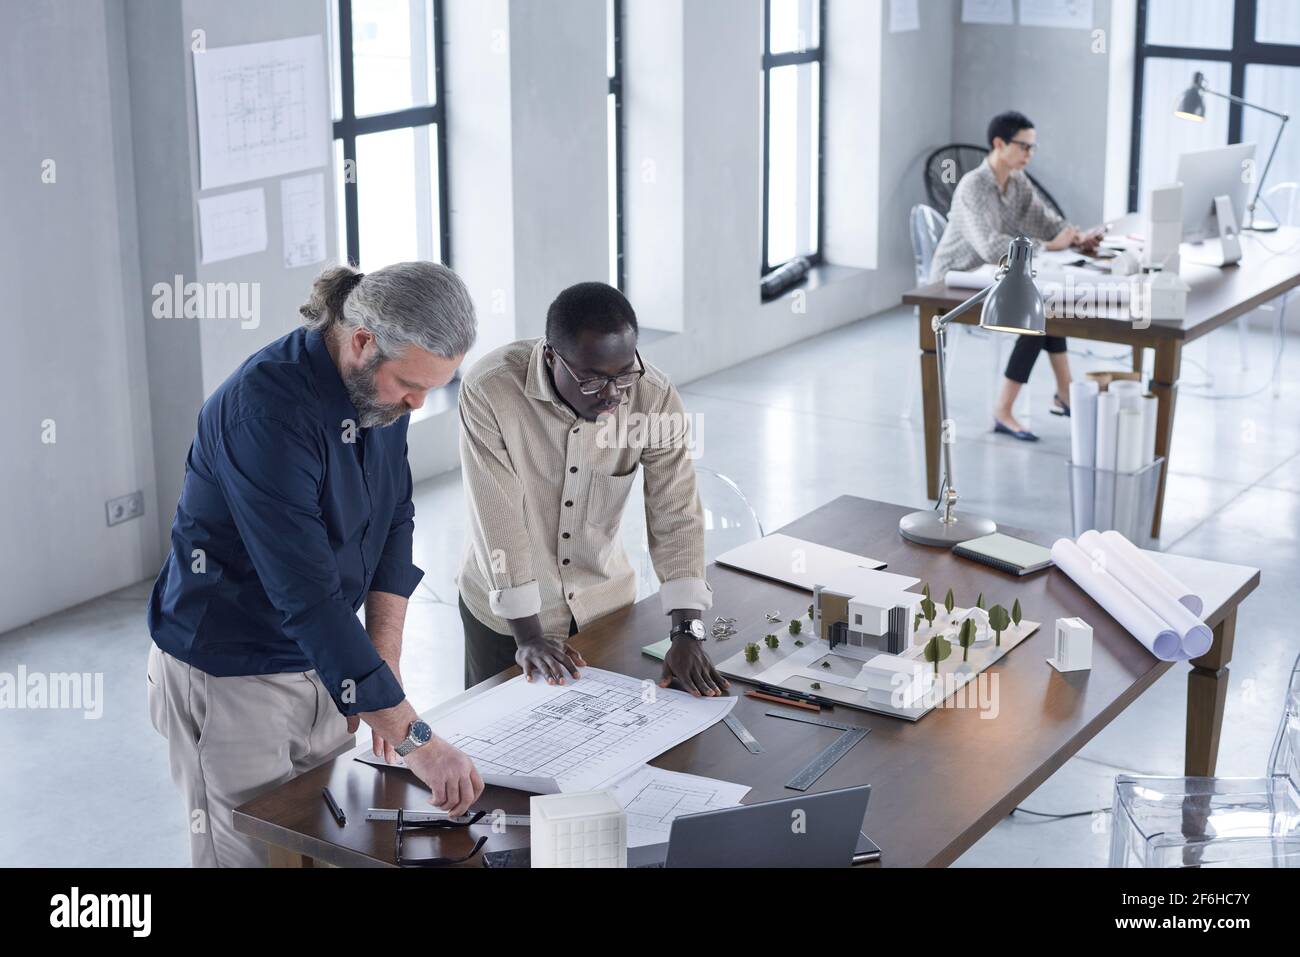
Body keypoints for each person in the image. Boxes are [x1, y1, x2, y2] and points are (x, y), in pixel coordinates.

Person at [146, 262, 484, 867]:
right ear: (361, 341)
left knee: (328, 845)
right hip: (232, 674)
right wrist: (418, 740)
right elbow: (307, 598)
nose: (418, 402)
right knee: (250, 857)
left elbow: (394, 519)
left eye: (434, 387)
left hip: (328, 660)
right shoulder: (265, 415)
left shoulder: (381, 398)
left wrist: (383, 664)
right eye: (411, 384)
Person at [456, 282, 726, 698]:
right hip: (508, 619)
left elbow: (676, 512)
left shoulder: (653, 397)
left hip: (604, 607)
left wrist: (686, 631)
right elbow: (498, 520)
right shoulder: (490, 390)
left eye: (624, 375)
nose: (613, 395)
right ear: (551, 356)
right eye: (592, 380)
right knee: (498, 752)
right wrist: (528, 636)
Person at [929, 110, 1104, 441]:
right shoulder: (973, 187)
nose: (1029, 154)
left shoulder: (1016, 182)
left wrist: (1075, 236)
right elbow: (992, 247)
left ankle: (1063, 393)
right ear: (999, 143)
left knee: (1047, 308)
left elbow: (1044, 220)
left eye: (1032, 148)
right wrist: (1049, 246)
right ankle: (1006, 410)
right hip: (954, 284)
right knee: (1034, 314)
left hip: (992, 278)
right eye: (1024, 147)